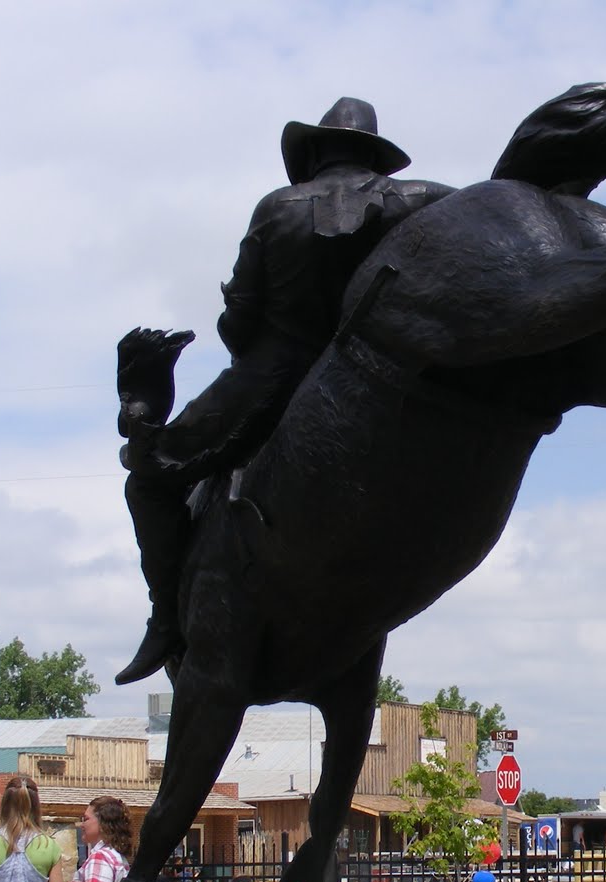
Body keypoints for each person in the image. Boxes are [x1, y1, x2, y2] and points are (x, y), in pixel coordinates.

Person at [115, 96, 454, 684]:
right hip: (380, 387)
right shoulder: (424, 201)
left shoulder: (277, 208)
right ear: (375, 155)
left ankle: (165, 615)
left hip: (271, 382)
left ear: (316, 151)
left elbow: (240, 327)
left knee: (147, 473)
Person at [66, 795, 133, 882]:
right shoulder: (116, 856)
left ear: (102, 823)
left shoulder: (100, 858)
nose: (81, 825)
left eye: (85, 819)